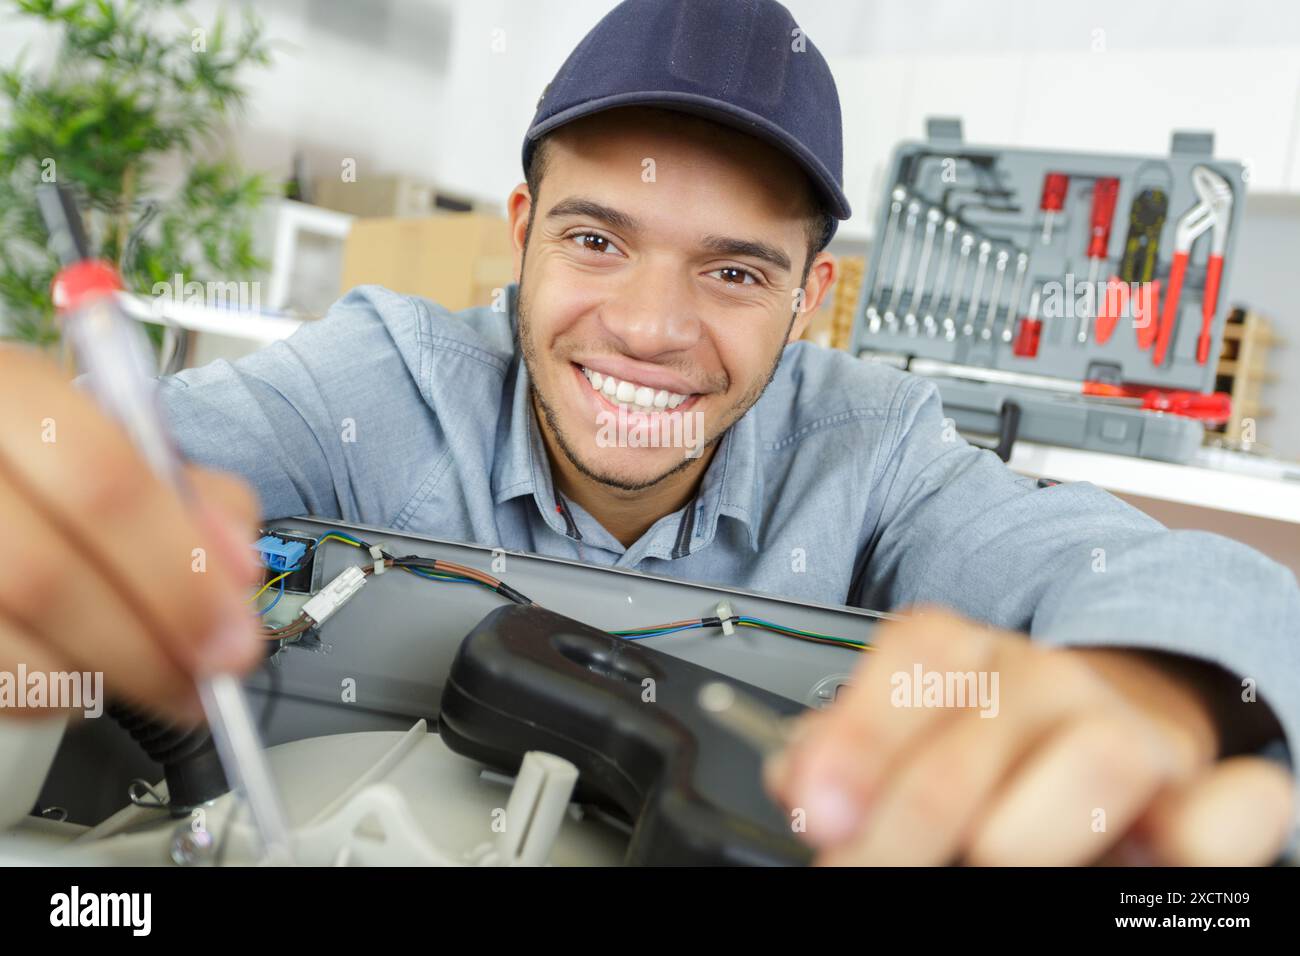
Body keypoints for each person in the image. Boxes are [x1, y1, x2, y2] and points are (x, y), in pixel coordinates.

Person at [1, 0, 1295, 865]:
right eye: (594, 240)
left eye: (734, 273)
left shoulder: (877, 441)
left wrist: (1160, 689)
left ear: (813, 296)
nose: (649, 328)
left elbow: (1147, 576)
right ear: (518, 233)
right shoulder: (382, 367)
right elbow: (138, 467)